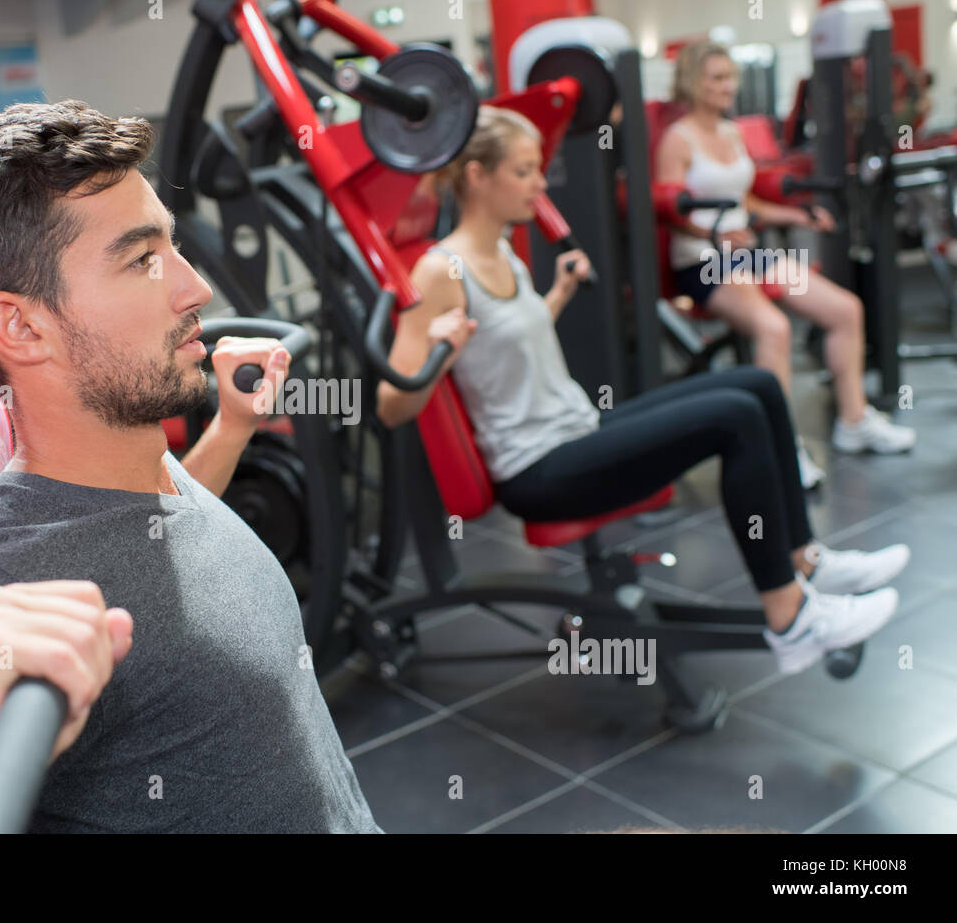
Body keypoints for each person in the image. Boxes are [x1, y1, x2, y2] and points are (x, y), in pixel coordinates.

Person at [0, 100, 381, 833]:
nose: (195, 289)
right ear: (22, 327)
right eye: (142, 259)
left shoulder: (129, 463)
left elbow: (160, 541)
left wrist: (232, 428)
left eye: (174, 248)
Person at [374, 105, 909, 676]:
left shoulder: (503, 251)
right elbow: (391, 405)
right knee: (734, 417)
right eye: (525, 171)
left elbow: (507, 345)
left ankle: (805, 561)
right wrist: (439, 351)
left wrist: (555, 296)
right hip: (539, 470)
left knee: (755, 384)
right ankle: (790, 618)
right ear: (478, 176)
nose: (539, 185)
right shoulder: (440, 271)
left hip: (574, 430)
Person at [655, 40, 915, 489]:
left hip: (747, 253)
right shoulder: (677, 141)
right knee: (774, 328)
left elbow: (746, 200)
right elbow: (668, 209)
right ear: (692, 83)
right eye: (715, 78)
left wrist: (796, 214)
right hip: (702, 262)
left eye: (729, 76)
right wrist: (712, 234)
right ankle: (781, 448)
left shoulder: (732, 133)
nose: (725, 86)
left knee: (844, 310)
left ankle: (853, 421)